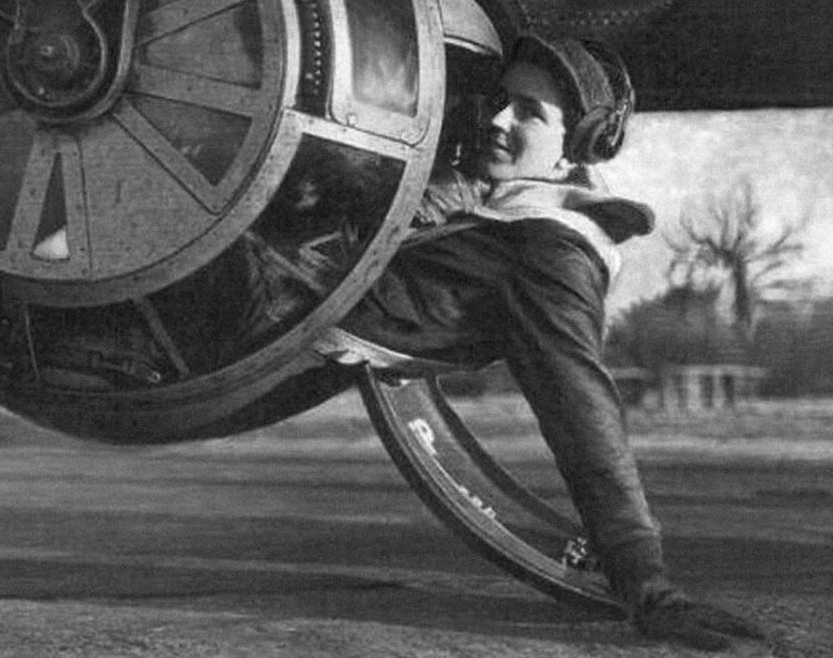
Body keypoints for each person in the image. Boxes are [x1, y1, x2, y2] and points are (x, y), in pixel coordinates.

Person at [311, 34, 768, 651]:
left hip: (254, 312)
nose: (499, 120)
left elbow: (578, 400)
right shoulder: (502, 202)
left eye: (529, 112)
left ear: (571, 151)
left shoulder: (551, 248)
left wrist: (644, 578)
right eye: (502, 101)